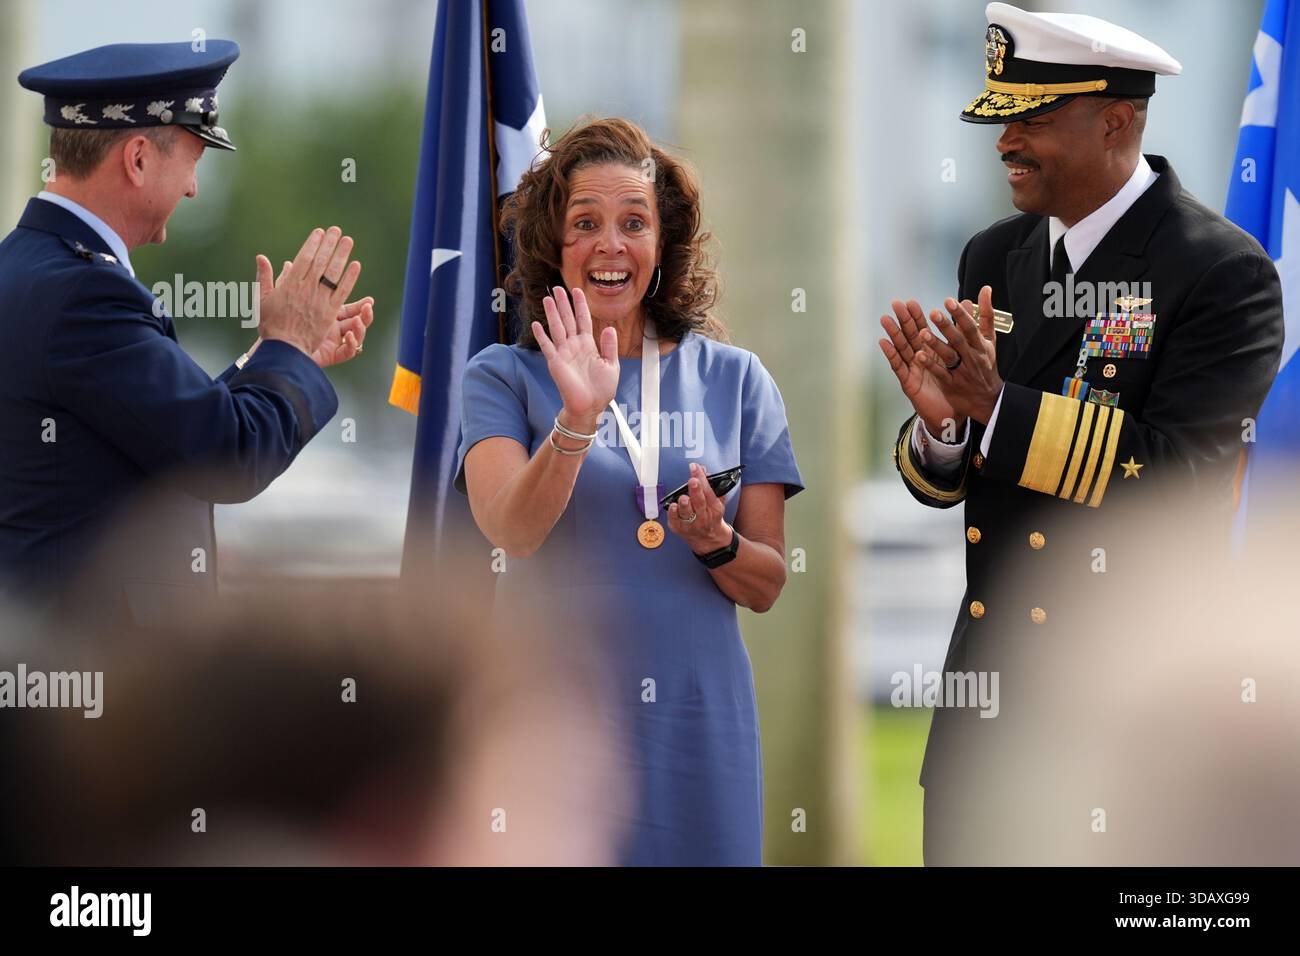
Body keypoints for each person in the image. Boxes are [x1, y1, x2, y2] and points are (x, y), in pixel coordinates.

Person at [878, 3, 1284, 864]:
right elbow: (961, 480)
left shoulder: (1220, 270)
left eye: (1030, 120)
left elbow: (1182, 480)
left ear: (1117, 122)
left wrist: (998, 410)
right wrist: (945, 433)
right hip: (983, 723)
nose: (1003, 143)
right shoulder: (994, 254)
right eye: (1000, 120)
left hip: (1124, 720)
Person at [455, 117, 803, 865]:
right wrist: (576, 422)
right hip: (553, 726)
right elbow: (511, 531)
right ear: (554, 243)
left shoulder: (738, 380)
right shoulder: (500, 377)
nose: (610, 245)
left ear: (663, 243)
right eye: (586, 223)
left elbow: (769, 582)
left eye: (633, 222)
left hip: (698, 726)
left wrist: (716, 542)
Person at [0, 41, 374, 625]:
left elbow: (159, 428)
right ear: (140, 158)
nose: (194, 189)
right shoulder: (84, 294)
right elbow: (226, 455)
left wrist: (272, 357)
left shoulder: (28, 267)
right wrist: (290, 348)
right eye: (194, 161)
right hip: (95, 680)